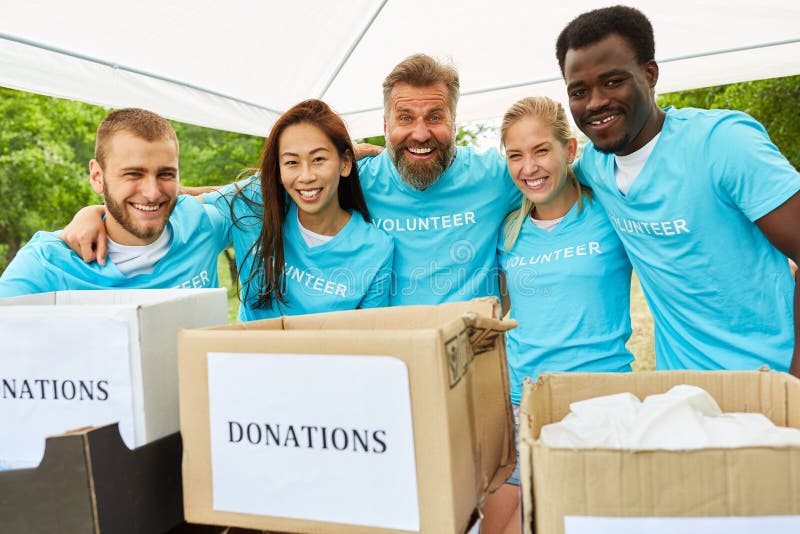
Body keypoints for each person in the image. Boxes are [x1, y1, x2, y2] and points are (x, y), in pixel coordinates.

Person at [556, 5, 800, 376]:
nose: (595, 102)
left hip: (773, 383)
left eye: (612, 81)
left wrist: (795, 389)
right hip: (686, 398)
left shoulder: (722, 144)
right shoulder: (594, 169)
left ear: (650, 74)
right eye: (579, 90)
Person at [484, 96, 635, 534]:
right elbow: (499, 308)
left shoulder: (610, 214)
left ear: (570, 150)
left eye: (541, 150)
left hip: (597, 401)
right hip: (519, 403)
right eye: (516, 155)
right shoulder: (508, 231)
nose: (529, 166)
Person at [0, 108, 230, 297]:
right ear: (97, 177)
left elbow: (260, 190)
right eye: (133, 174)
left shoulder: (203, 223)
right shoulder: (45, 264)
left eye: (165, 174)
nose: (152, 192)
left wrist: (179, 193)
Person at [202, 99, 393, 320]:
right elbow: (181, 205)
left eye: (318, 159)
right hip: (250, 353)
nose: (306, 176)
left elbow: (369, 338)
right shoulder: (254, 205)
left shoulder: (376, 248)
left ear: (345, 163)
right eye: (292, 162)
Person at [358, 53, 521, 305]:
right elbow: (285, 187)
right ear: (385, 125)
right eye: (405, 118)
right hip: (389, 343)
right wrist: (335, 154)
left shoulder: (495, 176)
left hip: (473, 342)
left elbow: (562, 178)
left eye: (435, 117)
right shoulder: (357, 181)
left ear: (454, 123)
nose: (421, 134)